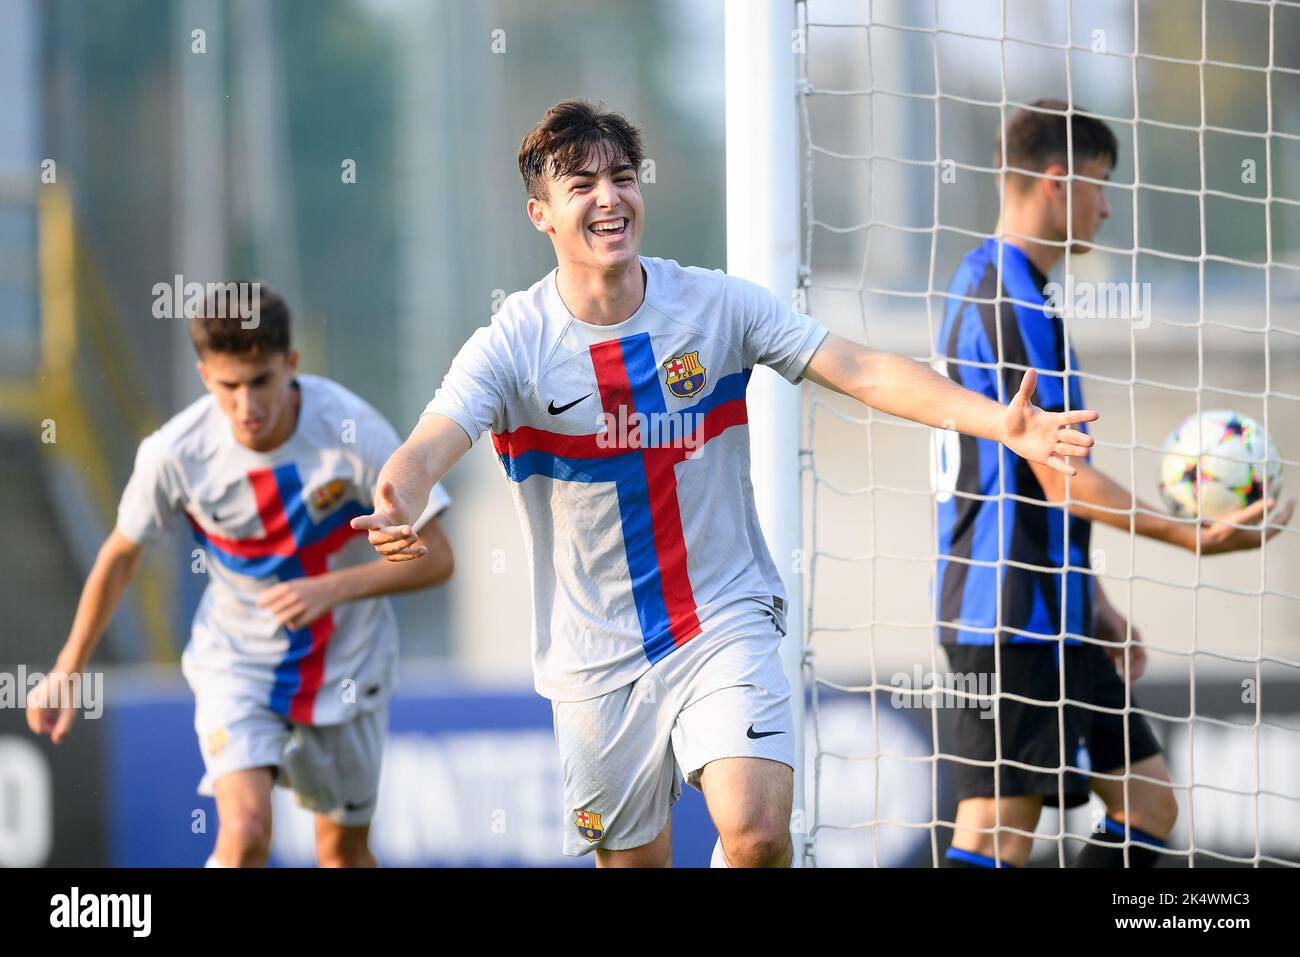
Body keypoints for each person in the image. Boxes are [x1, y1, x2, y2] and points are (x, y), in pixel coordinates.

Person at [353, 100, 1095, 868]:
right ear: (541, 213)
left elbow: (864, 368)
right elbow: (432, 438)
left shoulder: (715, 306)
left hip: (721, 616)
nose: (609, 197)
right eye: (582, 184)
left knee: (758, 829)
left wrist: (999, 422)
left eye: (622, 177)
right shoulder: (511, 344)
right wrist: (398, 497)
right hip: (593, 655)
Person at [933, 100, 1294, 868]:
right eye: (1100, 184)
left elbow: (1027, 482)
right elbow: (1061, 479)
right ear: (1057, 181)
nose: (1107, 205)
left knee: (1150, 801)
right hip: (1008, 618)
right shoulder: (1008, 301)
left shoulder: (1008, 286)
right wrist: (1187, 534)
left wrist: (1090, 596)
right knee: (997, 838)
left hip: (1054, 607)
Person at [27, 285, 455, 867]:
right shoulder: (174, 453)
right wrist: (67, 669)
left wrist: (330, 589)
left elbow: (438, 555)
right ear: (206, 376)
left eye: (261, 382)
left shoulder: (350, 429)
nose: (246, 404)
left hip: (346, 662)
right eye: (229, 386)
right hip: (237, 661)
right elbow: (121, 554)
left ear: (292, 366)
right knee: (247, 831)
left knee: (342, 852)